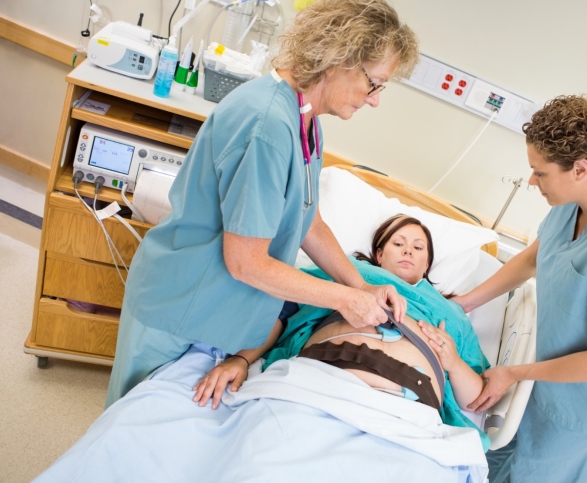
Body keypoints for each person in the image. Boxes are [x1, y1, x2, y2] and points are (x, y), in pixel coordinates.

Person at [105, 0, 419, 408]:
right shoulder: (266, 126)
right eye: (375, 83)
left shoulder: (305, 120)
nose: (375, 99)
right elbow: (245, 261)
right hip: (180, 305)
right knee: (131, 427)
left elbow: (309, 222)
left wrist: (361, 285)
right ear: (341, 59)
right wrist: (345, 300)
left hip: (223, 313)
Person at [440, 95, 587, 482]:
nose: (531, 181)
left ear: (579, 169)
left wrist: (512, 373)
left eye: (539, 172)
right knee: (490, 468)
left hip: (585, 408)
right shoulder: (571, 203)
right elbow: (533, 259)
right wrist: (464, 302)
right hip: (545, 381)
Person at [192, 214, 493, 450]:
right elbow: (280, 313)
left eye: (418, 247)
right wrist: (242, 360)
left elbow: (474, 400)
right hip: (316, 379)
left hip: (406, 413)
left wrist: (453, 361)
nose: (408, 251)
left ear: (427, 263)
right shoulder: (346, 272)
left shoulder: (451, 313)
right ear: (379, 254)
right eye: (398, 243)